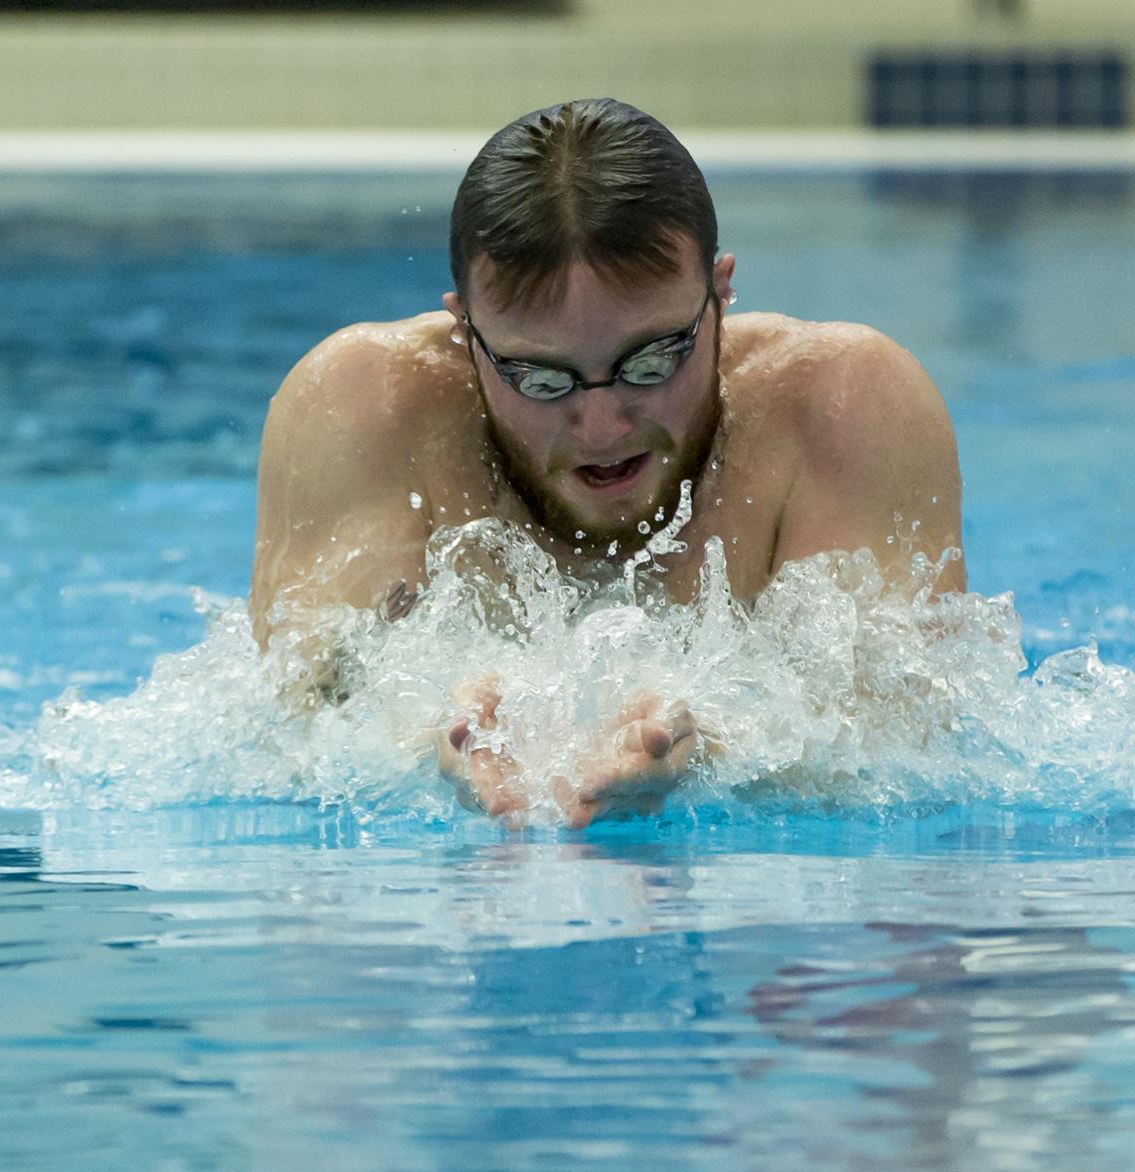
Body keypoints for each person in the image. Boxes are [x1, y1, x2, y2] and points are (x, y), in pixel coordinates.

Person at [250, 98, 964, 828]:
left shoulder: (842, 407)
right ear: (464, 329)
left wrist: (717, 748)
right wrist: (423, 741)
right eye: (538, 377)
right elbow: (293, 728)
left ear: (719, 294)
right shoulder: (363, 408)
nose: (600, 424)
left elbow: (905, 750)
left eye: (652, 359)